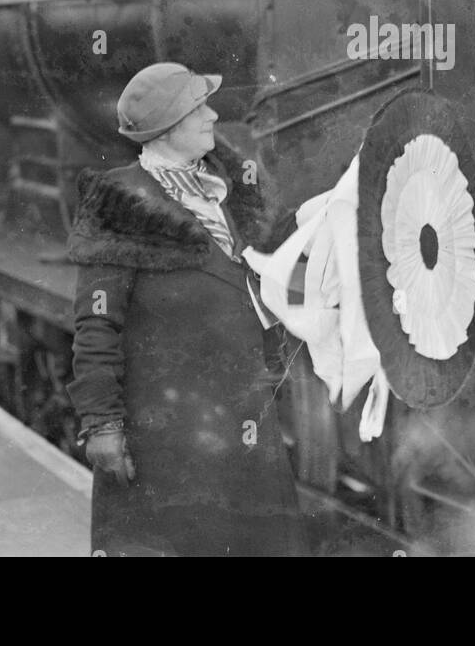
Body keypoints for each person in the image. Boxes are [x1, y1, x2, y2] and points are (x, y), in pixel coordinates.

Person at [66, 61, 304, 556]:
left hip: (241, 416)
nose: (214, 116)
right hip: (167, 436)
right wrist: (102, 424)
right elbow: (97, 324)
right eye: (200, 109)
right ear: (168, 127)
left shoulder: (229, 190)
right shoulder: (120, 203)